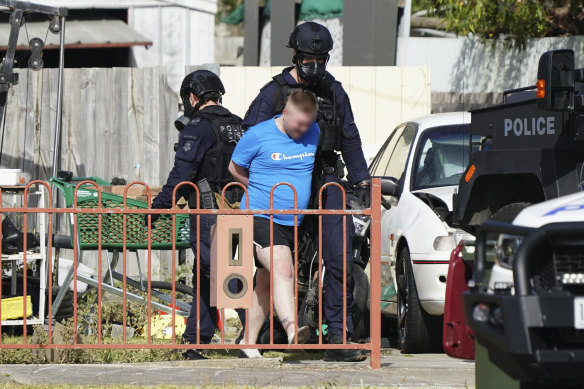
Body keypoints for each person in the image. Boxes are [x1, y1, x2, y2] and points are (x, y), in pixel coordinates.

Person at [240, 22, 370, 362]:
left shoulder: (334, 91)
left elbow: (351, 138)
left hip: (324, 180)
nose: (315, 65)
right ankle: (268, 333)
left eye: (321, 59)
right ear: (296, 56)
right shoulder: (274, 92)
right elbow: (249, 140)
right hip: (279, 187)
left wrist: (363, 181)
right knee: (274, 266)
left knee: (340, 255)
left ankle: (337, 338)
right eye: (308, 59)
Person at [150, 70, 244, 360]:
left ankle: (266, 330)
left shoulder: (198, 127)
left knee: (222, 273)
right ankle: (194, 341)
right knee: (210, 273)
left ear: (192, 97)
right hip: (237, 206)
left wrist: (158, 207)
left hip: (208, 209)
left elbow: (182, 174)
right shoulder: (238, 125)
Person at [228, 89, 319, 358]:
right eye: (299, 124)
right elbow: (234, 168)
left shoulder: (314, 132)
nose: (303, 130)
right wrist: (257, 189)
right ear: (285, 113)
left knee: (266, 282)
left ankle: (248, 342)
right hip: (260, 214)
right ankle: (293, 332)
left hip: (292, 221)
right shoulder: (257, 135)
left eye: (308, 124)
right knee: (282, 268)